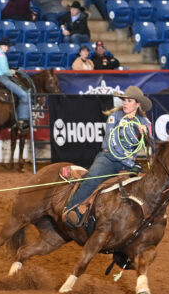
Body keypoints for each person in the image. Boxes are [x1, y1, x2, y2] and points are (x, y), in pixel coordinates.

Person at [62, 86, 152, 227]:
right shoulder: (114, 117)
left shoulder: (145, 123)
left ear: (138, 104)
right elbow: (112, 143)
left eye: (129, 101)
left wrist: (146, 135)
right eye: (124, 100)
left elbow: (151, 146)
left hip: (128, 164)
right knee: (92, 179)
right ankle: (71, 212)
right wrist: (130, 164)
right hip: (108, 159)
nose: (125, 103)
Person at [0, 39, 30, 128]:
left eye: (7, 46)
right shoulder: (2, 56)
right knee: (24, 95)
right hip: (2, 78)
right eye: (6, 46)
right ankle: (22, 119)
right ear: (1, 46)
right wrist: (12, 72)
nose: (7, 48)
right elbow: (5, 71)